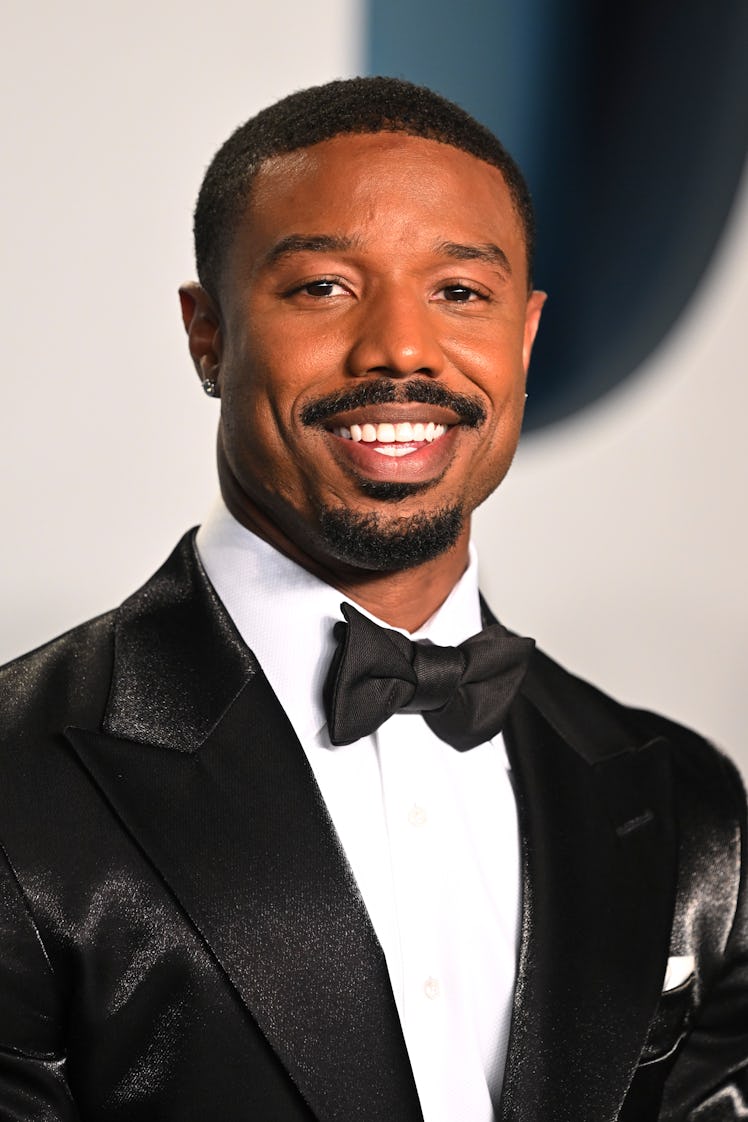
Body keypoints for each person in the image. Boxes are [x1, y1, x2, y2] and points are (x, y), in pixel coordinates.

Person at [0, 76, 745, 1122]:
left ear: (523, 341)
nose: (400, 346)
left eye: (459, 292)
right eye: (323, 288)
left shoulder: (689, 806)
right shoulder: (17, 779)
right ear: (206, 333)